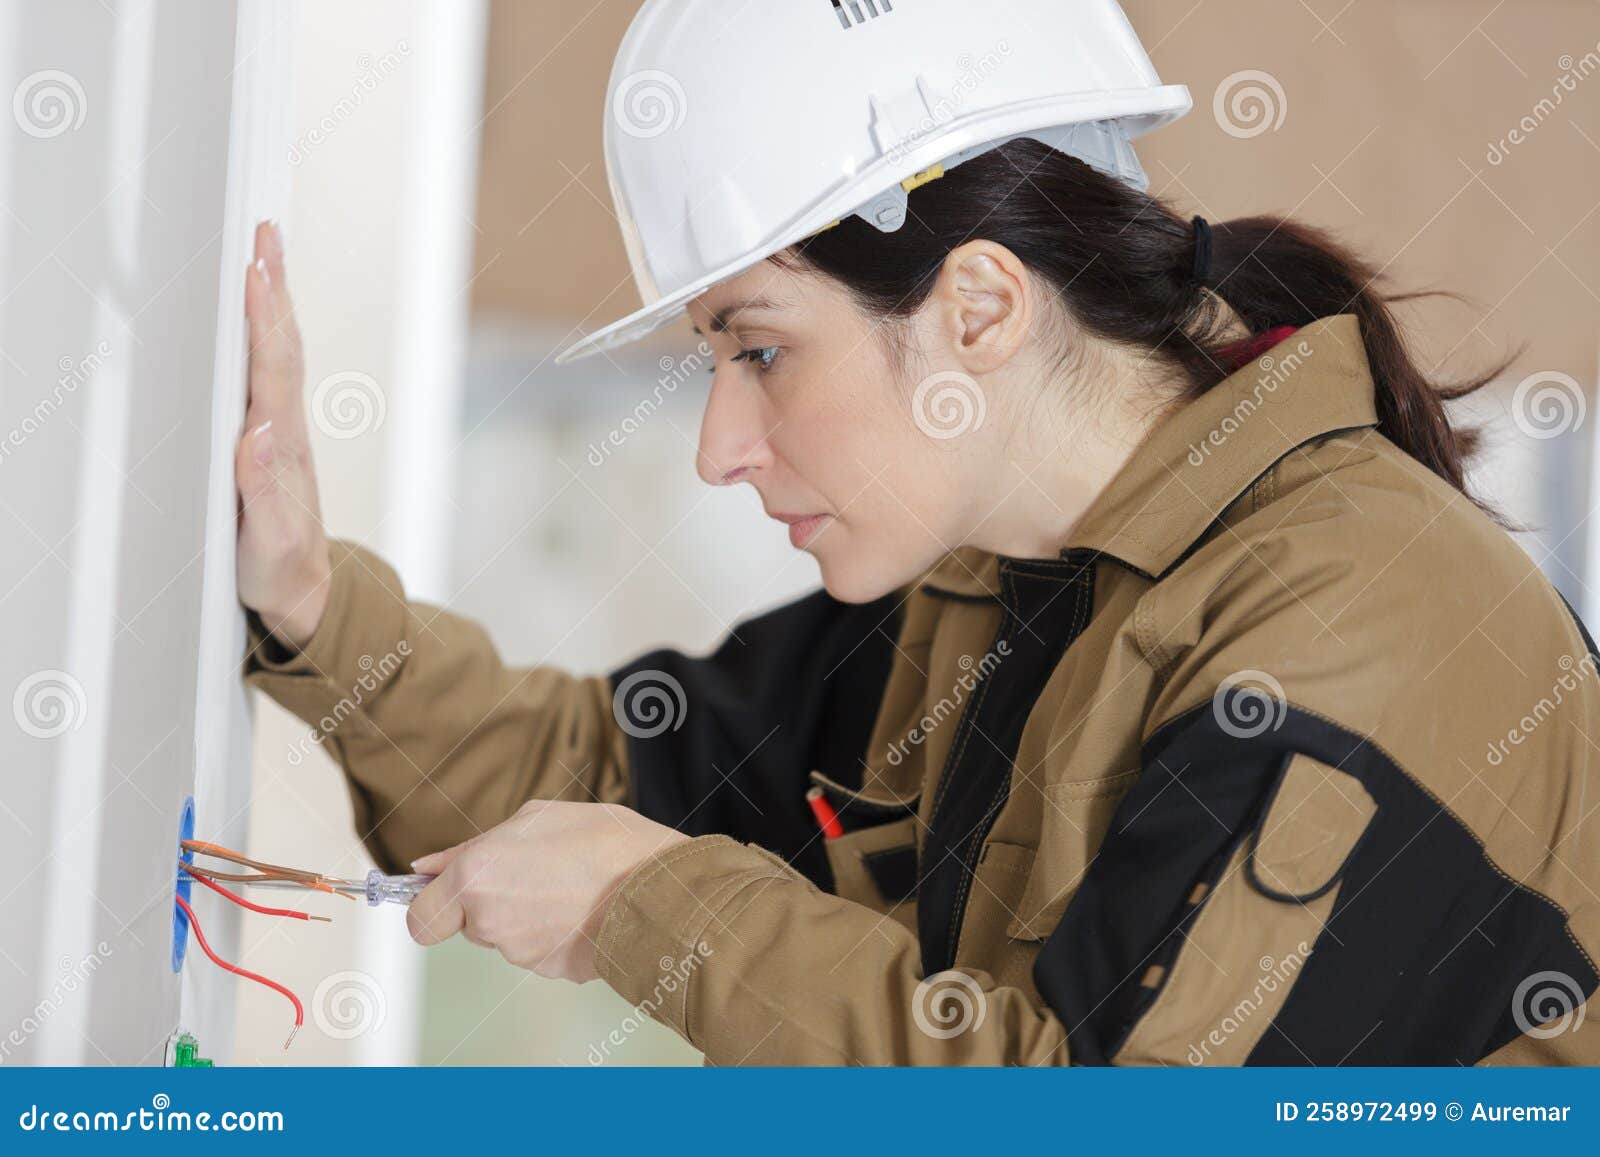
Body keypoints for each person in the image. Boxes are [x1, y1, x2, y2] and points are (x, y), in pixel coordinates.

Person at [236, 0, 1599, 1065]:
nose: (721, 448)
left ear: (981, 309)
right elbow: (599, 792)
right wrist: (306, 604)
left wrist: (653, 910)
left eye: (759, 352)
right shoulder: (1004, 588)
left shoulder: (1358, 613)